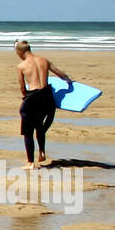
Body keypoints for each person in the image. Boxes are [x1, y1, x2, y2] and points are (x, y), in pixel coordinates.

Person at [14, 39, 71, 169]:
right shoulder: (44, 60)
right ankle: (42, 152)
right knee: (39, 125)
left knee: (28, 131)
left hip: (33, 96)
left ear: (20, 51)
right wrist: (70, 82)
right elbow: (61, 74)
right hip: (47, 97)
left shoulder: (21, 66)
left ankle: (30, 162)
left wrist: (26, 98)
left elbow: (23, 88)